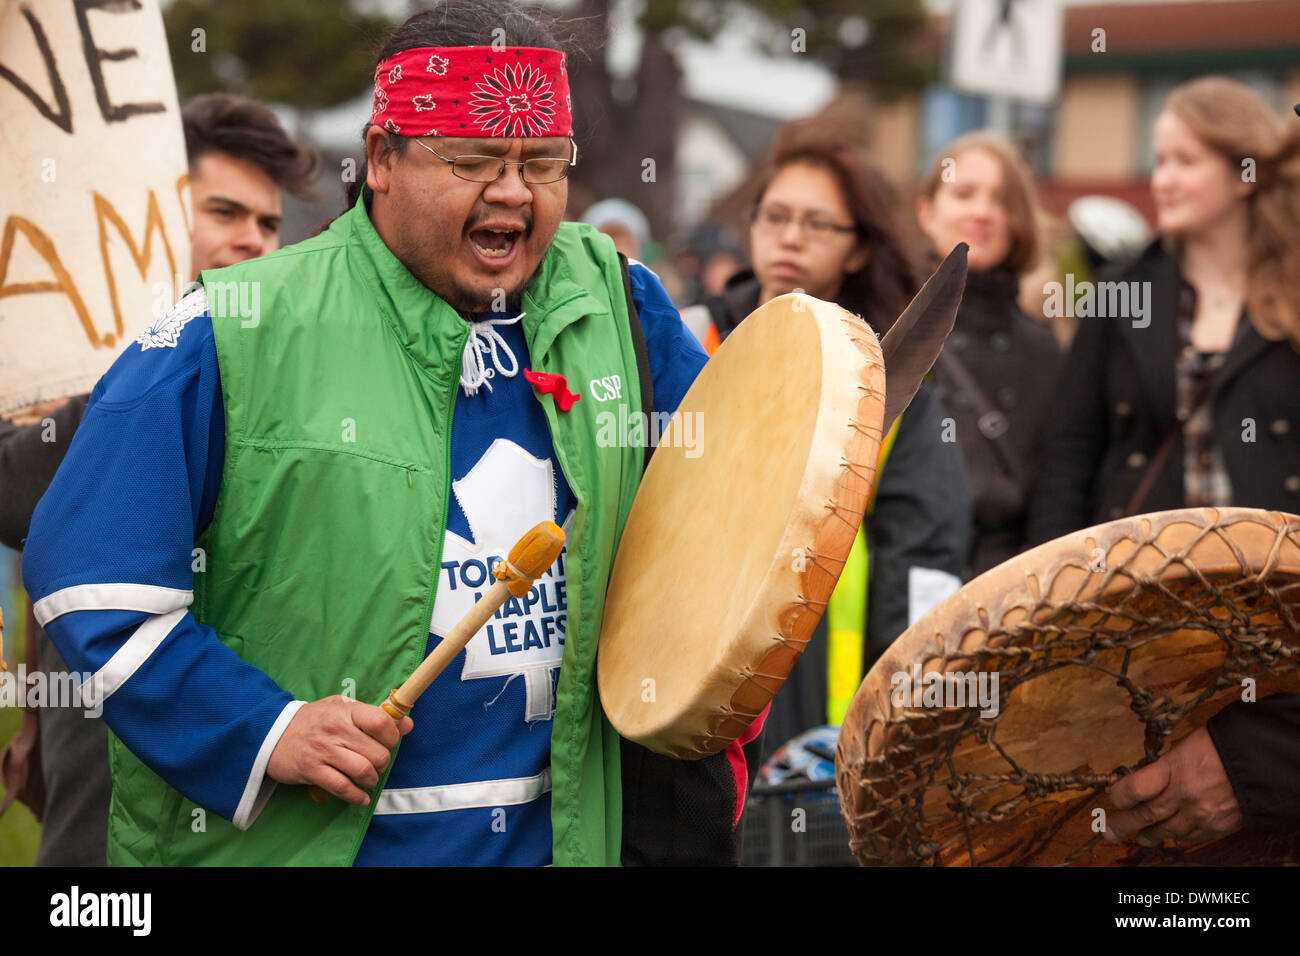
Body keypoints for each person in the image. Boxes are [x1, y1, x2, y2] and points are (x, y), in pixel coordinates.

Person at [21, 0, 711, 866]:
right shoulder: (238, 327)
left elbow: (726, 500)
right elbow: (89, 569)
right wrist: (267, 729)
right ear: (382, 159)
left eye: (542, 163)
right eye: (472, 160)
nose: (512, 191)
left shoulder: (621, 301)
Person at [0, 93, 320, 866]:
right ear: (151, 218)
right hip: (105, 807)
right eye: (225, 212)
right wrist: (137, 387)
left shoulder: (298, 375)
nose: (252, 241)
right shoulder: (82, 358)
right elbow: (17, 498)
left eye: (269, 225)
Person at [1027, 76, 1300, 845]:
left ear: (1243, 171)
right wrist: (1049, 606)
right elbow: (1069, 458)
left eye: (1185, 159)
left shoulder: (1295, 292)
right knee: (1148, 813)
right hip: (1139, 608)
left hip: (1271, 608)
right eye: (1157, 159)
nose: (1163, 180)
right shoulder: (1122, 295)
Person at [694, 118, 972, 766]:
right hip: (685, 702)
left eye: (818, 223)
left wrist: (898, 724)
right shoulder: (686, 345)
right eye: (775, 215)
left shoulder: (885, 389)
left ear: (857, 250)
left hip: (820, 724)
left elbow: (923, 570)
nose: (790, 236)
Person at [915, 132, 1062, 578]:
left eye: (1001, 200)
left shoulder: (1044, 348)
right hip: (905, 589)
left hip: (1013, 593)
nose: (982, 211)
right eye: (963, 194)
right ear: (926, 211)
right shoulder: (884, 329)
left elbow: (1059, 491)